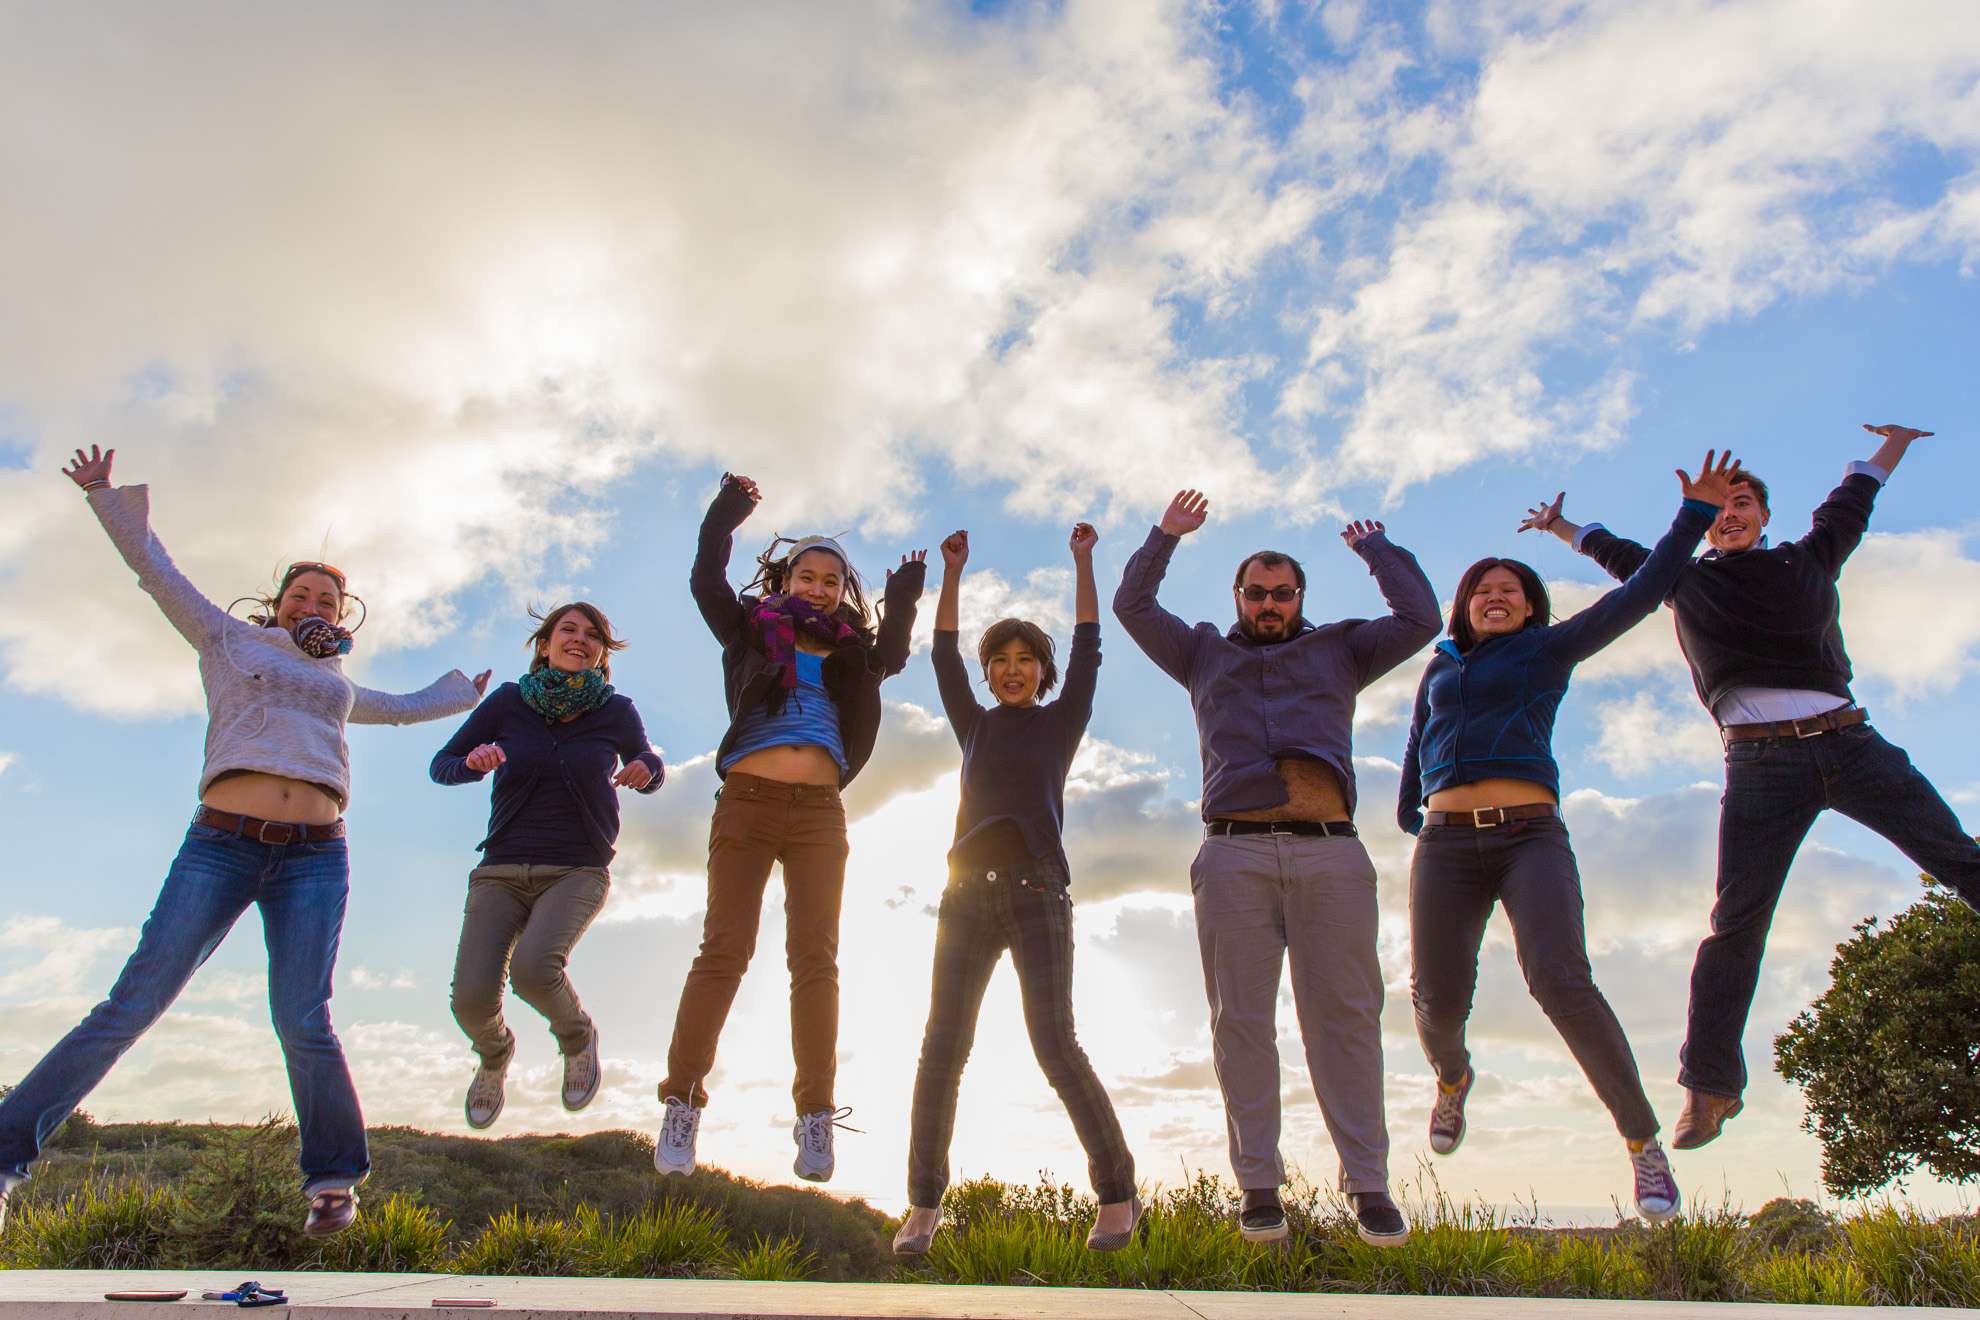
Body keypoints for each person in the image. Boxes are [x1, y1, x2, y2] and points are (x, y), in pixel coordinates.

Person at [0, 446, 487, 1239]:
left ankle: (332, 1179)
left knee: (304, 1016)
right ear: (280, 602)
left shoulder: (338, 683)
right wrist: (103, 497)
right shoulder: (227, 639)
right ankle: (4, 1157)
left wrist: (459, 695)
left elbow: (397, 706)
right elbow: (159, 574)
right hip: (221, 844)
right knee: (132, 1004)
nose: (315, 599)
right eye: (302, 591)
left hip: (317, 854)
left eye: (329, 594)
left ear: (343, 615)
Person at [1526, 424, 1980, 1149]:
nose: (1731, 514)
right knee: (1737, 924)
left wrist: (1893, 442)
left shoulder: (1810, 557)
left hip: (1852, 743)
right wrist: (1559, 527)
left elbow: (1855, 494)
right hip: (1760, 766)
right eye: (1720, 506)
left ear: (1764, 516)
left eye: (1744, 503)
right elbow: (1611, 551)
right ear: (1705, 519)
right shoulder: (1684, 576)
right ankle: (1708, 1089)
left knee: (1959, 858)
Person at [1400, 453, 1738, 1223]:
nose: (1494, 597)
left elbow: (1646, 591)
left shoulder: (1550, 650)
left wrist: (1692, 516)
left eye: (1509, 592)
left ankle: (1642, 1141)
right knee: (1436, 999)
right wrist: (1410, 815)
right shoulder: (1439, 665)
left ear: (1529, 609)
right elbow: (1421, 739)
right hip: (1446, 848)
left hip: (1530, 839)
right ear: (1465, 607)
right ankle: (1452, 1079)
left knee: (1559, 978)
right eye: (1482, 591)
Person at [1113, 490, 1440, 1247]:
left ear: (1299, 597)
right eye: (1255, 592)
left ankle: (1369, 1185)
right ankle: (1259, 1185)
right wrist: (1166, 535)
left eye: (1281, 593)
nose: (1268, 603)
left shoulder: (1342, 650)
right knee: (1241, 1024)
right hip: (1233, 853)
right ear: (1237, 596)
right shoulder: (1201, 652)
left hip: (1331, 852)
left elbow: (1421, 619)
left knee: (1347, 1020)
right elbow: (1133, 604)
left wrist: (1379, 553)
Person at [655, 472, 925, 1183]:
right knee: (725, 950)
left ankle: (814, 1115)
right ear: (784, 579)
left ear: (843, 593)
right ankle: (682, 1102)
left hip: (818, 813)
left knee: (815, 960)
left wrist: (902, 597)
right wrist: (727, 511)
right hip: (746, 799)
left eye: (831, 580)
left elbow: (894, 653)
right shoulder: (747, 631)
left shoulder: (854, 655)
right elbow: (706, 578)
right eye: (806, 575)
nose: (817, 587)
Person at [892, 524, 1141, 1258]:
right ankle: (922, 1204)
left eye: (1024, 660)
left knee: (1055, 1042)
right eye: (999, 661)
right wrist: (952, 574)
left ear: (1042, 672)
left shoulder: (1062, 722)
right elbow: (941, 654)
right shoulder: (973, 725)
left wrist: (1084, 562)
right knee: (942, 1047)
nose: (1010, 670)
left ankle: (1118, 1193)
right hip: (964, 892)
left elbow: (1091, 642)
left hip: (1037, 890)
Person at [430, 603, 665, 1130]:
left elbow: (651, 764)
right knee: (469, 1000)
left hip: (577, 868)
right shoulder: (509, 702)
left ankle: (578, 1039)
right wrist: (470, 764)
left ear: (602, 653)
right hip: (500, 868)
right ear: (544, 644)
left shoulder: (617, 710)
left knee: (534, 971)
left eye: (592, 636)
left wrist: (643, 769)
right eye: (568, 631)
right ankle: (494, 1055)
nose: (579, 640)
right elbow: (441, 764)